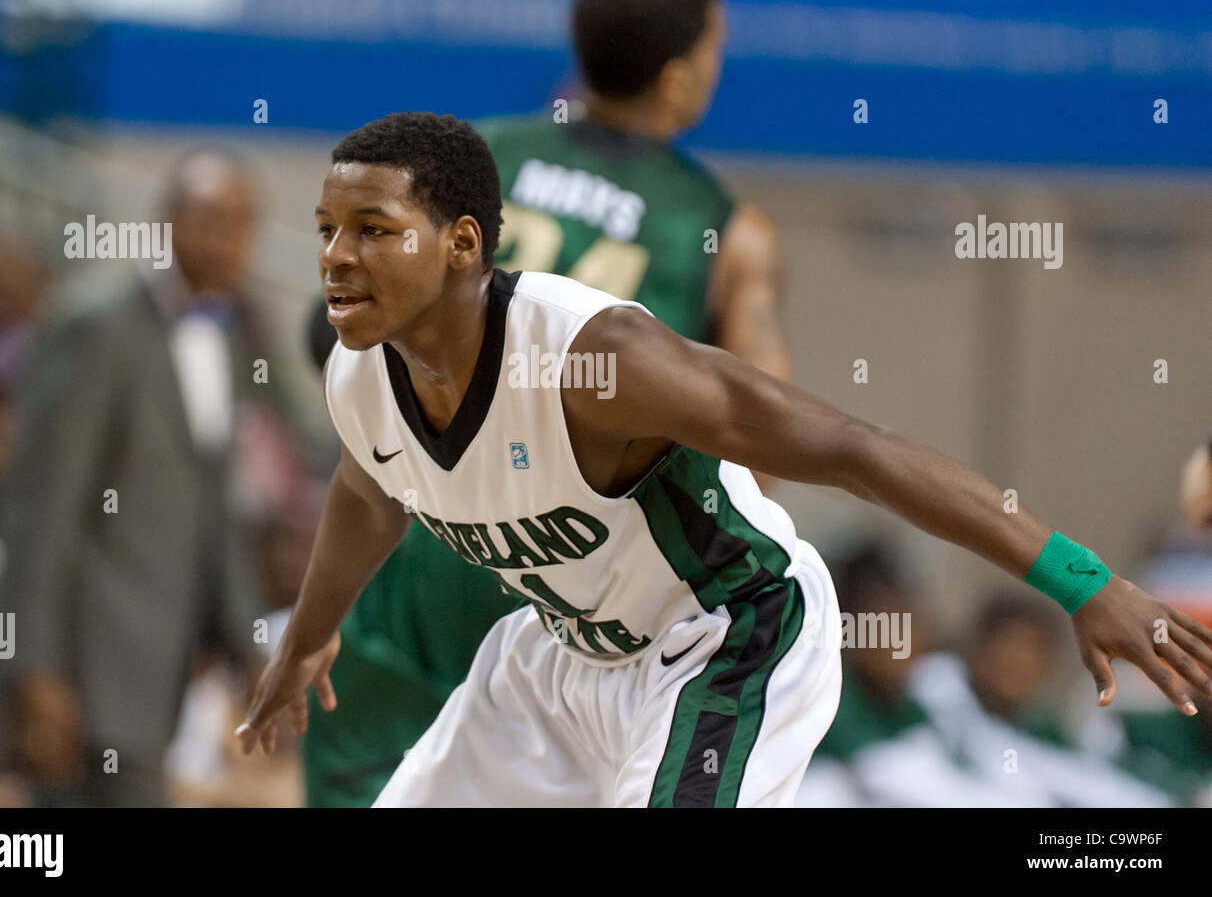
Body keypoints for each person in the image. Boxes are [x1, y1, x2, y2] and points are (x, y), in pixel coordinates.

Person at [238, 111, 1212, 807]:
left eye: (373, 231)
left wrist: (1081, 581)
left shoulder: (598, 360)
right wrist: (309, 636)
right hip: (559, 654)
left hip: (729, 637)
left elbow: (857, 449)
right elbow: (369, 493)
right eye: (327, 230)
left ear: (460, 244)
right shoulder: (359, 373)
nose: (336, 256)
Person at [302, 0, 792, 807]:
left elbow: (331, 331)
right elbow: (761, 447)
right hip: (569, 577)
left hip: (424, 554)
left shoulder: (477, 156)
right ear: (677, 78)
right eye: (716, 47)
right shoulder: (729, 232)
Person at [0, 151, 270, 806]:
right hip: (82, 672)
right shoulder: (96, 322)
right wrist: (35, 670)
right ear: (167, 221)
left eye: (239, 226)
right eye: (209, 221)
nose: (224, 242)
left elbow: (216, 509)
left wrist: (251, 643)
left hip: (162, 674)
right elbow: (42, 505)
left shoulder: (229, 336)